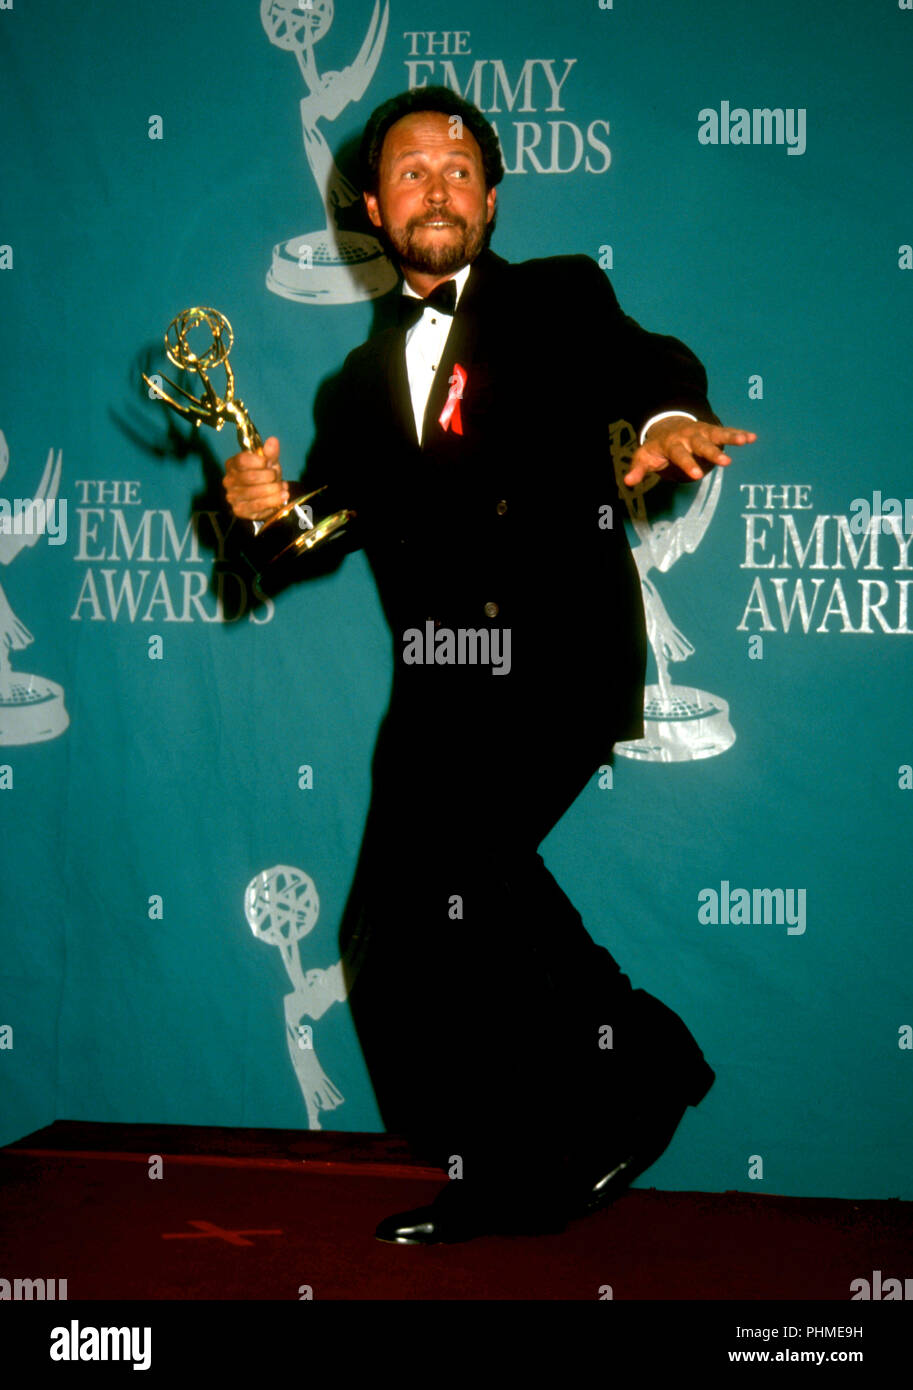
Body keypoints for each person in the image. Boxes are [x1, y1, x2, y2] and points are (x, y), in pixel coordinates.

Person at [222, 87, 757, 1245]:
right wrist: (262, 513)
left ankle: (641, 1060)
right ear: (371, 204)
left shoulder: (558, 295)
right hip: (442, 684)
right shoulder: (352, 390)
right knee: (403, 925)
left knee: (453, 873)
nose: (436, 187)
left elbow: (644, 360)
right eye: (409, 171)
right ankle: (502, 1164)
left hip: (554, 657)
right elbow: (323, 525)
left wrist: (667, 417)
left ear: (492, 196)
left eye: (458, 170)